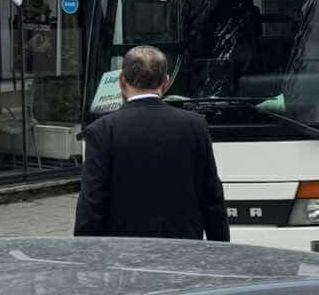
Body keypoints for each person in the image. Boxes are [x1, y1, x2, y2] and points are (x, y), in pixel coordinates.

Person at [74, 45, 229, 241]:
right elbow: (212, 198)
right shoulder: (195, 126)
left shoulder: (102, 130)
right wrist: (222, 250)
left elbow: (92, 203)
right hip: (184, 251)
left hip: (122, 254)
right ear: (166, 82)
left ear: (122, 81)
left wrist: (85, 256)